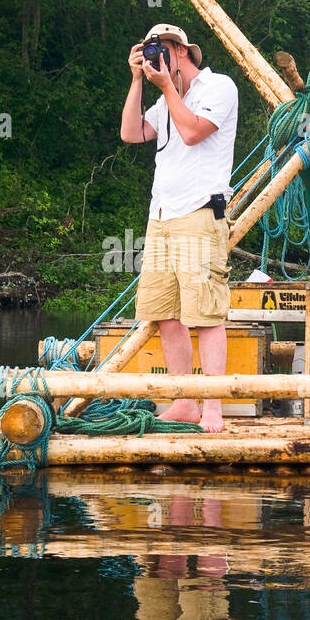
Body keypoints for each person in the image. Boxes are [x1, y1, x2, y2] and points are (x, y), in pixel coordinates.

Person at [120, 24, 238, 433]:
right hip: (162, 215)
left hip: (199, 213)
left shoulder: (218, 88)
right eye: (149, 50)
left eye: (161, 50)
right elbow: (131, 133)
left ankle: (213, 408)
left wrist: (167, 86)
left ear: (181, 52)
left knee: (204, 315)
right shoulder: (163, 98)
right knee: (166, 315)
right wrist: (138, 80)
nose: (155, 57)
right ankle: (184, 401)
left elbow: (191, 133)